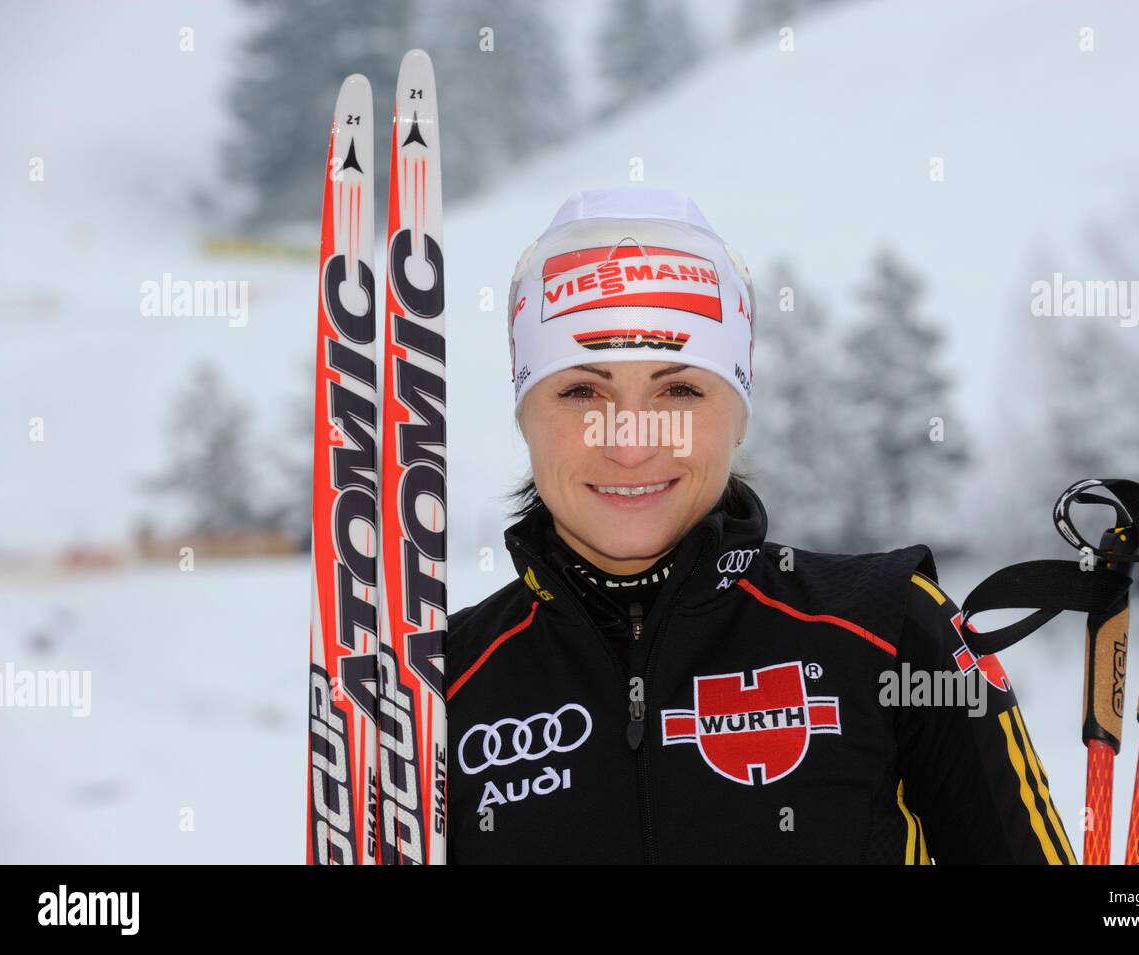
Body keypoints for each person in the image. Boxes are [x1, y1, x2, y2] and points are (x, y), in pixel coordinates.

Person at [446, 186, 1075, 864]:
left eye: (679, 390)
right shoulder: (439, 685)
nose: (630, 441)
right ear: (524, 412)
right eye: (581, 391)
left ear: (740, 411)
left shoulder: (890, 629)